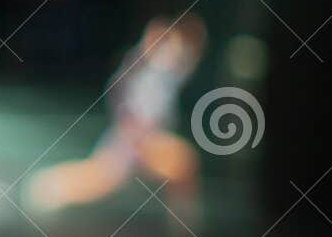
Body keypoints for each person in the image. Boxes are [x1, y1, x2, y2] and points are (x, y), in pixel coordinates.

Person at [29, 15, 207, 224]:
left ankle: (183, 221)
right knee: (103, 178)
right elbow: (120, 94)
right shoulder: (150, 66)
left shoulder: (165, 67)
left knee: (181, 166)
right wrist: (133, 131)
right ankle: (50, 186)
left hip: (146, 138)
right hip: (136, 138)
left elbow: (185, 63)